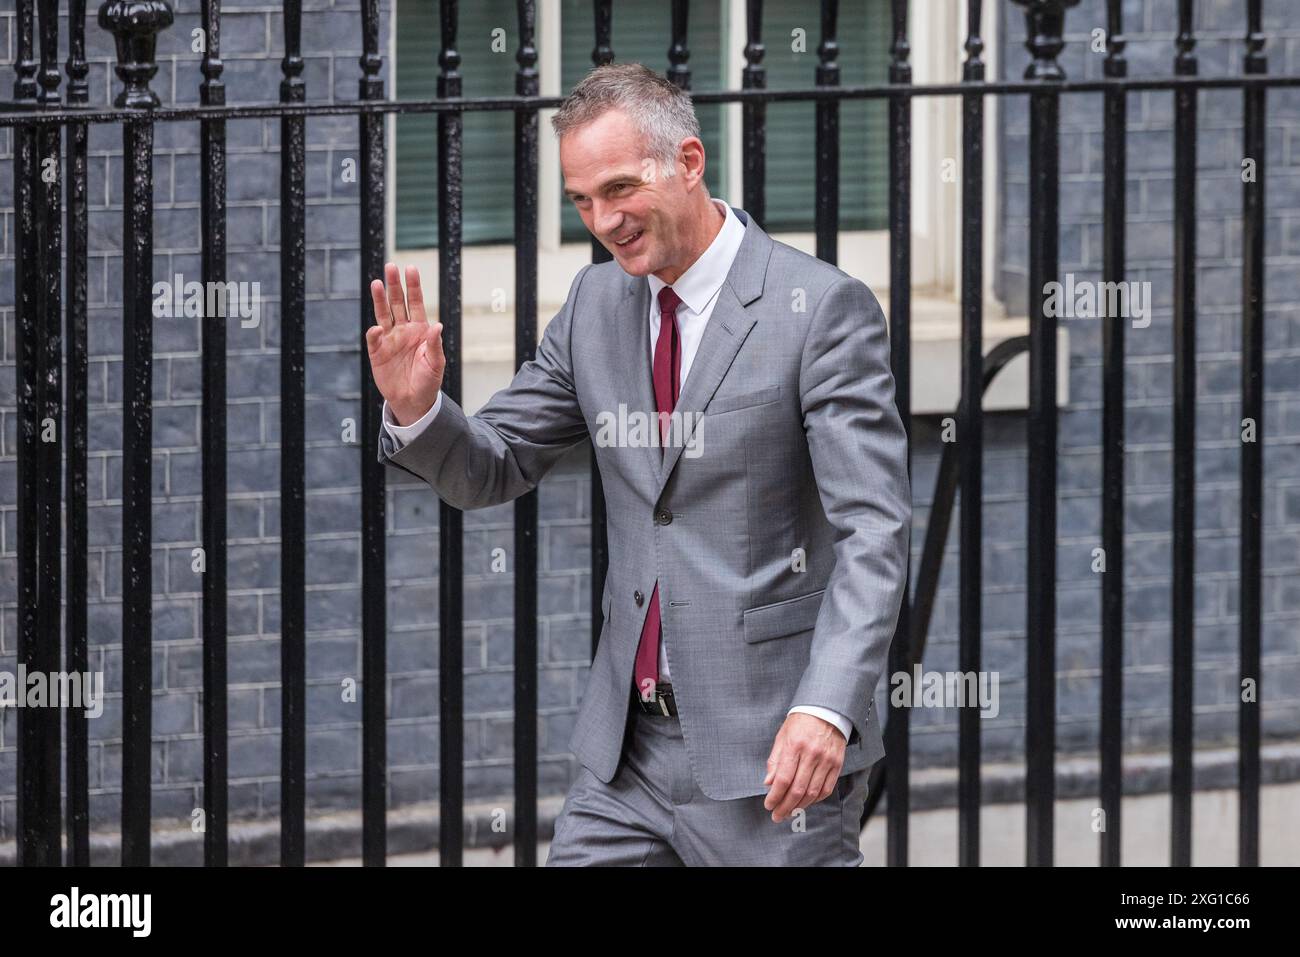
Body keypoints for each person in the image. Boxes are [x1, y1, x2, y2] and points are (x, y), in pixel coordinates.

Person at [366, 63, 910, 866]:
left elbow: (875, 531)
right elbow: (496, 464)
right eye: (582, 200)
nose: (604, 220)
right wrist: (417, 409)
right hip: (626, 762)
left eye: (619, 189)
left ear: (688, 162)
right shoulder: (595, 307)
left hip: (770, 757)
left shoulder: (819, 310)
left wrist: (827, 707)